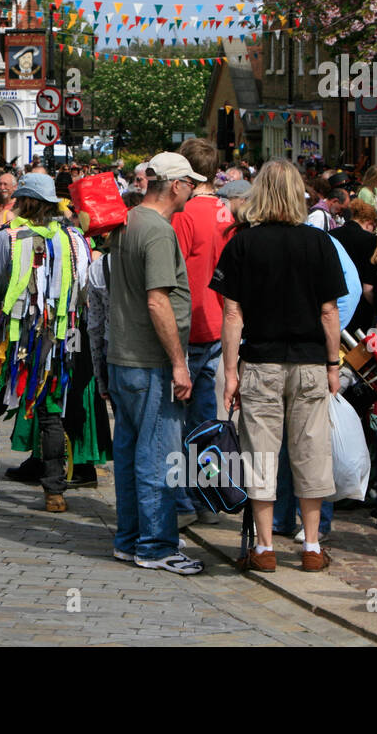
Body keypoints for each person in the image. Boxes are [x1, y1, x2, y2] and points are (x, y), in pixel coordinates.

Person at [214, 158, 346, 573]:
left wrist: (230, 371)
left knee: (261, 455)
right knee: (310, 453)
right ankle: (310, 546)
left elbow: (232, 315)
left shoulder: (241, 243)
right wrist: (332, 363)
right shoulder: (319, 243)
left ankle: (266, 547)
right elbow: (329, 312)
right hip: (308, 361)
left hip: (260, 362)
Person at [0, 172, 90, 514]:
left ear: (21, 201)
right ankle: (55, 491)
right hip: (54, 341)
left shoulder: (8, 237)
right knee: (51, 412)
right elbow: (83, 289)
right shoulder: (72, 238)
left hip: (11, 342)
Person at [105, 153, 205, 572]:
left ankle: (129, 539)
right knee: (157, 454)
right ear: (175, 185)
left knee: (130, 453)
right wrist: (179, 363)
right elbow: (158, 299)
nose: (194, 190)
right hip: (148, 361)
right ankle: (157, 545)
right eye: (190, 184)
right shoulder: (159, 232)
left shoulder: (128, 221)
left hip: (124, 356)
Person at [172, 138, 232, 526]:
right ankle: (209, 498)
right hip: (219, 321)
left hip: (190, 325)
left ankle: (184, 503)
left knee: (177, 419)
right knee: (207, 420)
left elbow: (170, 272)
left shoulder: (185, 214)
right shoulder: (227, 212)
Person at [331, 199, 377, 333]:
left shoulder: (332, 235)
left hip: (336, 295)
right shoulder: (371, 240)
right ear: (370, 223)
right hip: (360, 301)